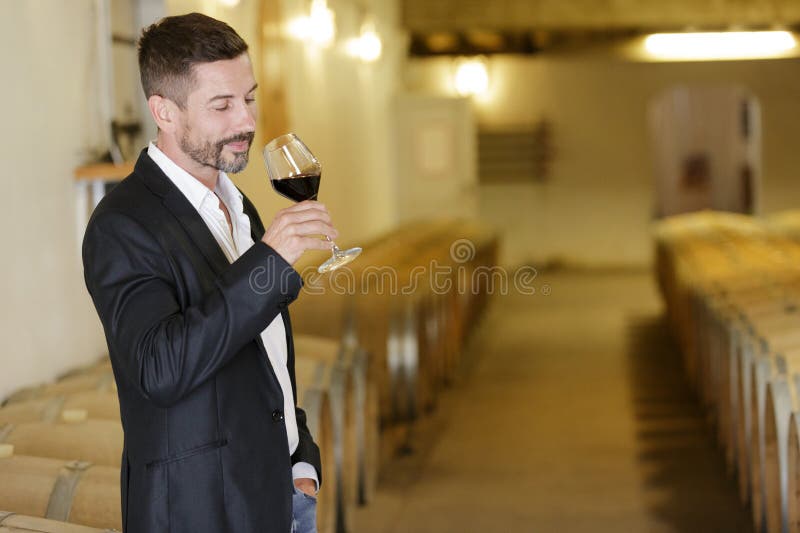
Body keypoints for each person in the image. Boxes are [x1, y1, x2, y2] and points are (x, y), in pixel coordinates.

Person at [82, 12, 336, 533]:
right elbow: (161, 368)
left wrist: (301, 458)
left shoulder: (237, 204)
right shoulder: (122, 225)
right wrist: (271, 260)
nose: (245, 121)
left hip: (282, 496)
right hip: (204, 512)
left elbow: (265, 352)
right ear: (164, 112)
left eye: (248, 97)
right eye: (221, 105)